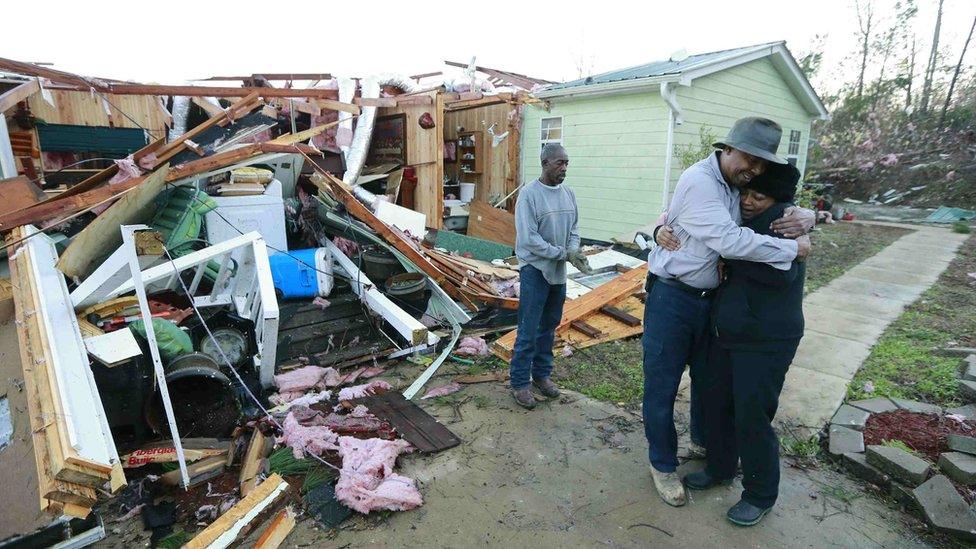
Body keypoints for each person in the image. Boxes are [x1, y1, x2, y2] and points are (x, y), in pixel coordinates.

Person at [639, 117, 813, 507]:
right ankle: (662, 464)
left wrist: (809, 216)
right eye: (749, 159)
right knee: (662, 386)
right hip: (673, 299)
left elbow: (774, 203)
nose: (754, 169)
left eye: (761, 164)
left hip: (711, 302)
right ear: (728, 149)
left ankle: (705, 446)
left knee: (709, 383)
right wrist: (794, 249)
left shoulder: (736, 184)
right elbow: (729, 240)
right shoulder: (701, 180)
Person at [682, 163, 806, 526]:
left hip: (766, 341)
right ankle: (720, 468)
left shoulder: (783, 224)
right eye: (746, 194)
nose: (748, 202)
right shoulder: (741, 221)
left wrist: (730, 256)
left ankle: (760, 494)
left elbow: (783, 274)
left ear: (777, 200)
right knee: (717, 404)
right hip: (731, 335)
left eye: (759, 197)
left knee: (752, 417)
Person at [510, 143, 591, 409]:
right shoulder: (529, 195)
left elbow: (575, 228)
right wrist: (563, 254)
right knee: (529, 328)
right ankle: (519, 383)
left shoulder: (568, 194)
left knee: (549, 326)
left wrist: (573, 251)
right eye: (559, 163)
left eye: (566, 163)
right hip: (535, 270)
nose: (564, 168)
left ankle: (541, 375)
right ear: (545, 163)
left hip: (558, 271)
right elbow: (529, 239)